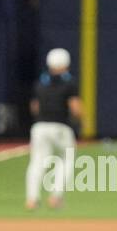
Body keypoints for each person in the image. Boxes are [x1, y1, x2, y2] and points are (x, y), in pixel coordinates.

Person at [24, 47, 82, 210]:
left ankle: (32, 199)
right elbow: (75, 108)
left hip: (39, 127)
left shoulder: (40, 82)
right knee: (67, 159)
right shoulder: (70, 83)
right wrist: (79, 121)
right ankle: (56, 197)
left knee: (37, 162)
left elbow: (34, 107)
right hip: (60, 126)